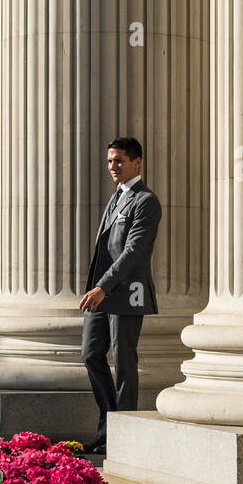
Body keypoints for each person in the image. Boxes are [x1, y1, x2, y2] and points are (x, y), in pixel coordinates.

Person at [79, 137, 161, 454]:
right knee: (90, 354)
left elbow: (134, 252)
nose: (112, 166)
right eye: (109, 161)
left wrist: (103, 287)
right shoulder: (116, 198)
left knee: (124, 362)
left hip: (126, 292)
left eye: (119, 161)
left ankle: (121, 432)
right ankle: (109, 423)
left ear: (137, 162)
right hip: (103, 292)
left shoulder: (146, 200)